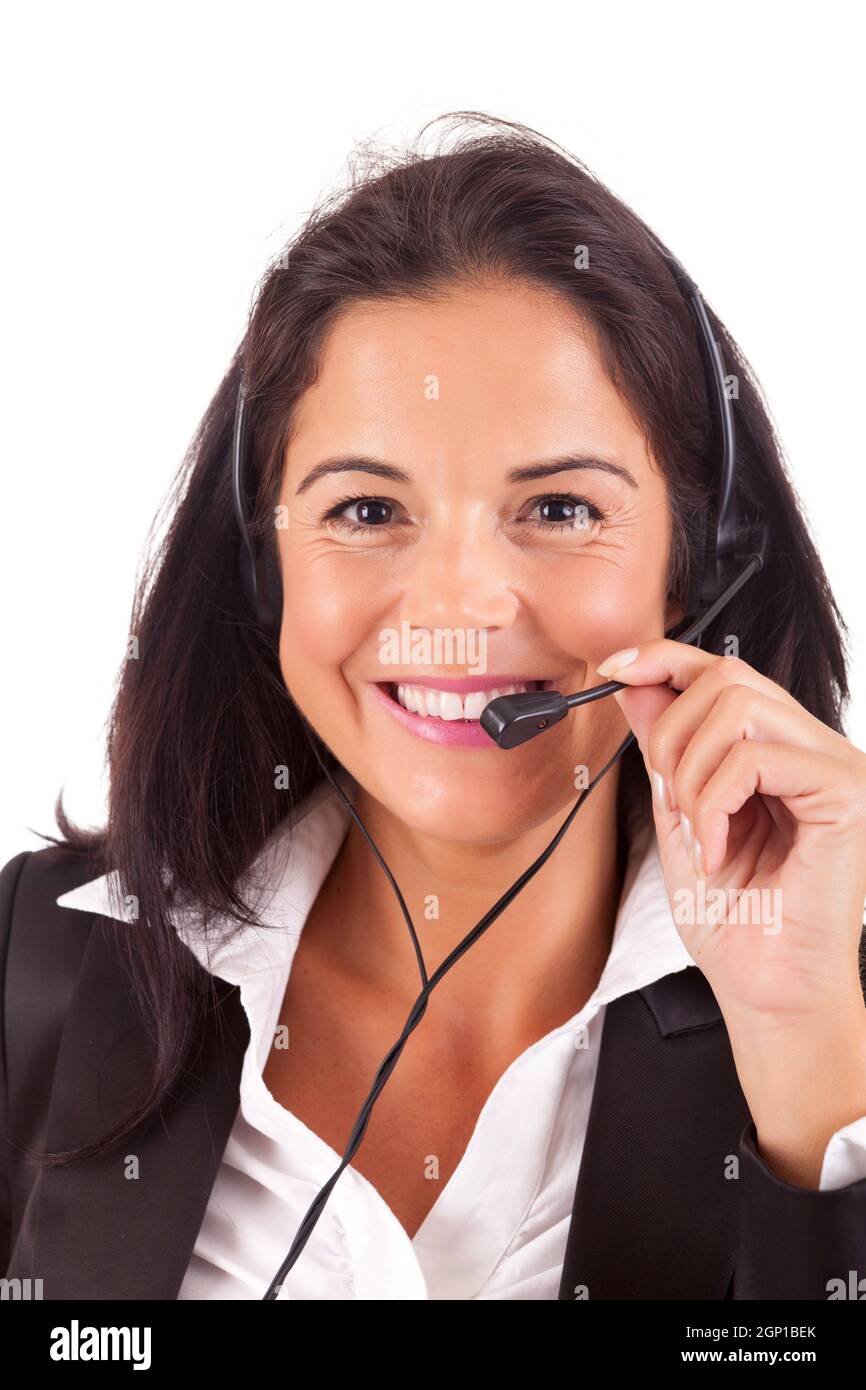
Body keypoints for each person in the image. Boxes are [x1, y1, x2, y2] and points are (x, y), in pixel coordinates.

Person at [3, 112, 866, 1301]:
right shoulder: (37, 958)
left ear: (697, 563)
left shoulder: (834, 1001)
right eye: (366, 510)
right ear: (268, 566)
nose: (457, 604)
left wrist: (803, 1040)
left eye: (559, 508)